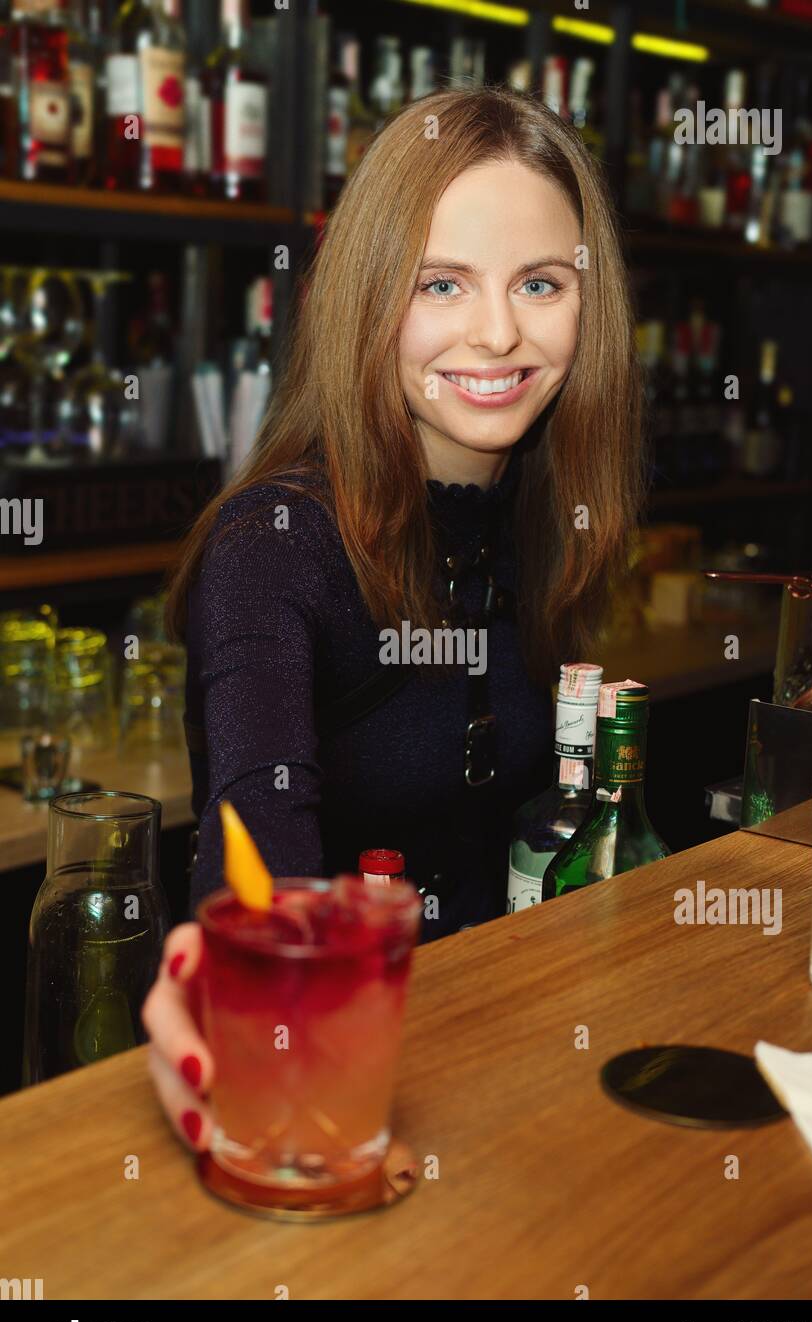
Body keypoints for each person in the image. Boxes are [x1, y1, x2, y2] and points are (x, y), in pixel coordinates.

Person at [143, 84, 643, 1151]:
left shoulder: (550, 522)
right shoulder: (273, 548)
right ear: (371, 297)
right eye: (442, 282)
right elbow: (253, 856)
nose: (498, 330)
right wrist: (237, 984)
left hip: (500, 1065)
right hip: (336, 1085)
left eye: (540, 281)